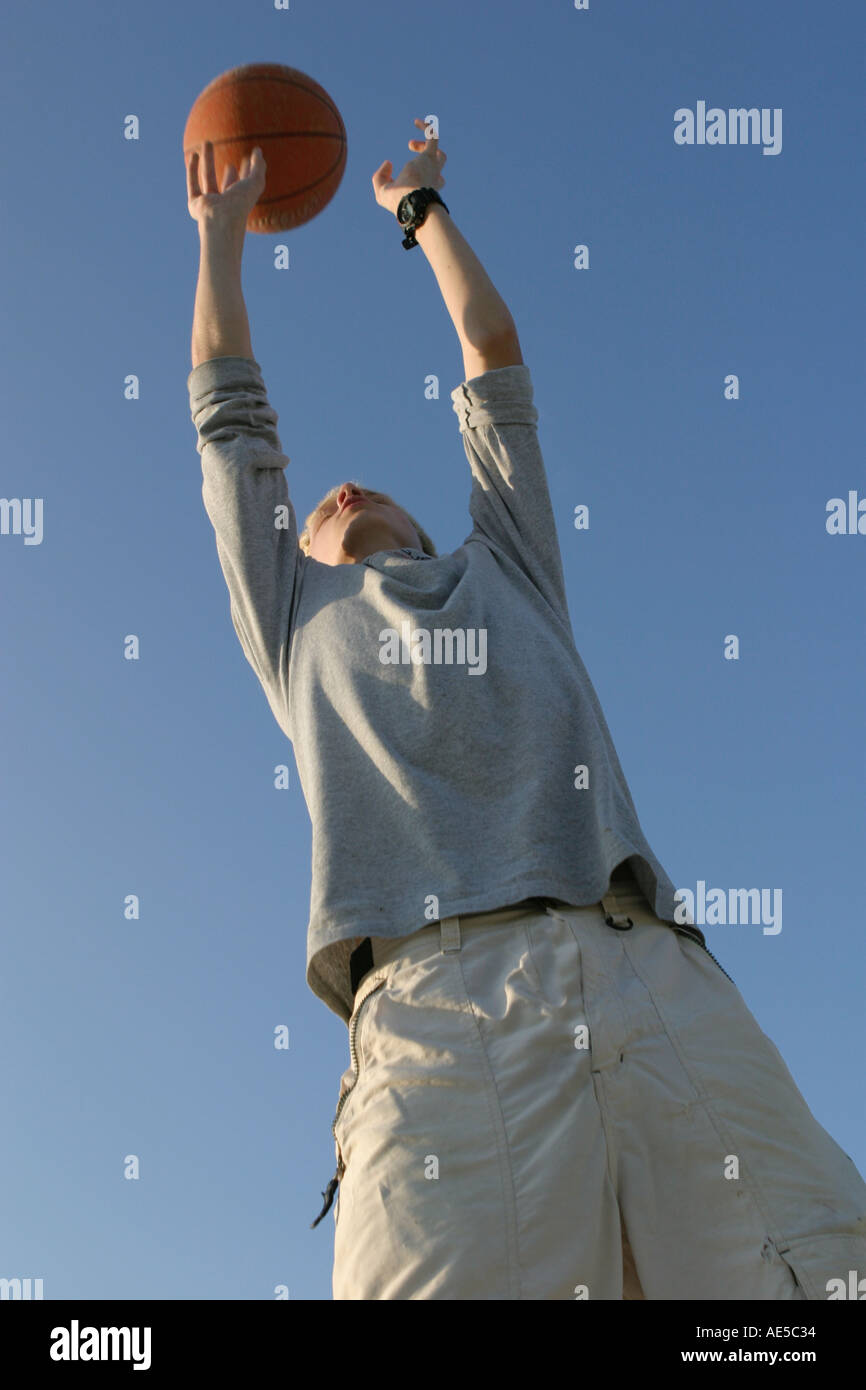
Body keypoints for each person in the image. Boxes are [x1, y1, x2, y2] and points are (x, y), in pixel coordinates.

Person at [185, 120, 866, 1300]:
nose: (340, 491)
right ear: (297, 548)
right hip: (438, 1021)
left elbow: (491, 355)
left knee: (814, 1286)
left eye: (368, 484)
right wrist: (221, 241)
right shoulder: (296, 624)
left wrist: (420, 207)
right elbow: (230, 422)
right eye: (316, 505)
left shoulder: (511, 568)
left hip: (644, 974)